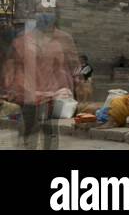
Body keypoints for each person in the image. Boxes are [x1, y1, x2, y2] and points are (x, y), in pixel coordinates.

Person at [0, 12, 79, 149]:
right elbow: (13, 67)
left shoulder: (58, 42)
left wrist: (65, 89)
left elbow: (61, 68)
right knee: (30, 126)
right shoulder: (22, 41)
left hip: (51, 93)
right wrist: (14, 89)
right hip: (28, 93)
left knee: (50, 128)